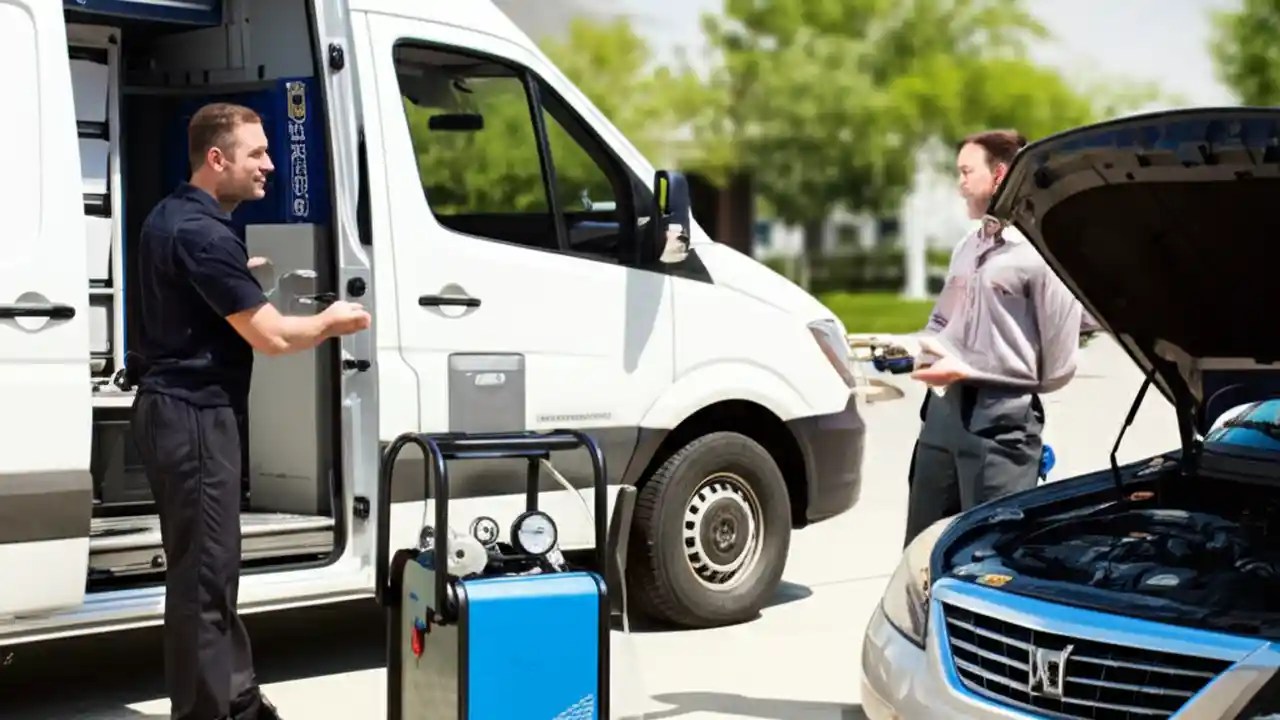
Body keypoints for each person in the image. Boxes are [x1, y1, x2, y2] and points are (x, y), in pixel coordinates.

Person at [127, 102, 372, 720]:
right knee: (205, 582)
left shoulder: (173, 215)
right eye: (257, 153)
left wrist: (244, 277)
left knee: (211, 572)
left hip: (175, 410)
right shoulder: (206, 235)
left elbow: (195, 296)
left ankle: (236, 701)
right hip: (195, 417)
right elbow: (274, 337)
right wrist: (332, 320)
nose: (270, 166)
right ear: (217, 158)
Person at [898, 128, 1083, 547]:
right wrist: (912, 348)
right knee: (921, 552)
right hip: (940, 420)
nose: (959, 183)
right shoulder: (967, 246)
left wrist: (972, 369)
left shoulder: (1042, 253)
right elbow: (942, 323)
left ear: (999, 176)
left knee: (989, 557)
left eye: (967, 172)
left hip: (1000, 427)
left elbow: (1057, 368)